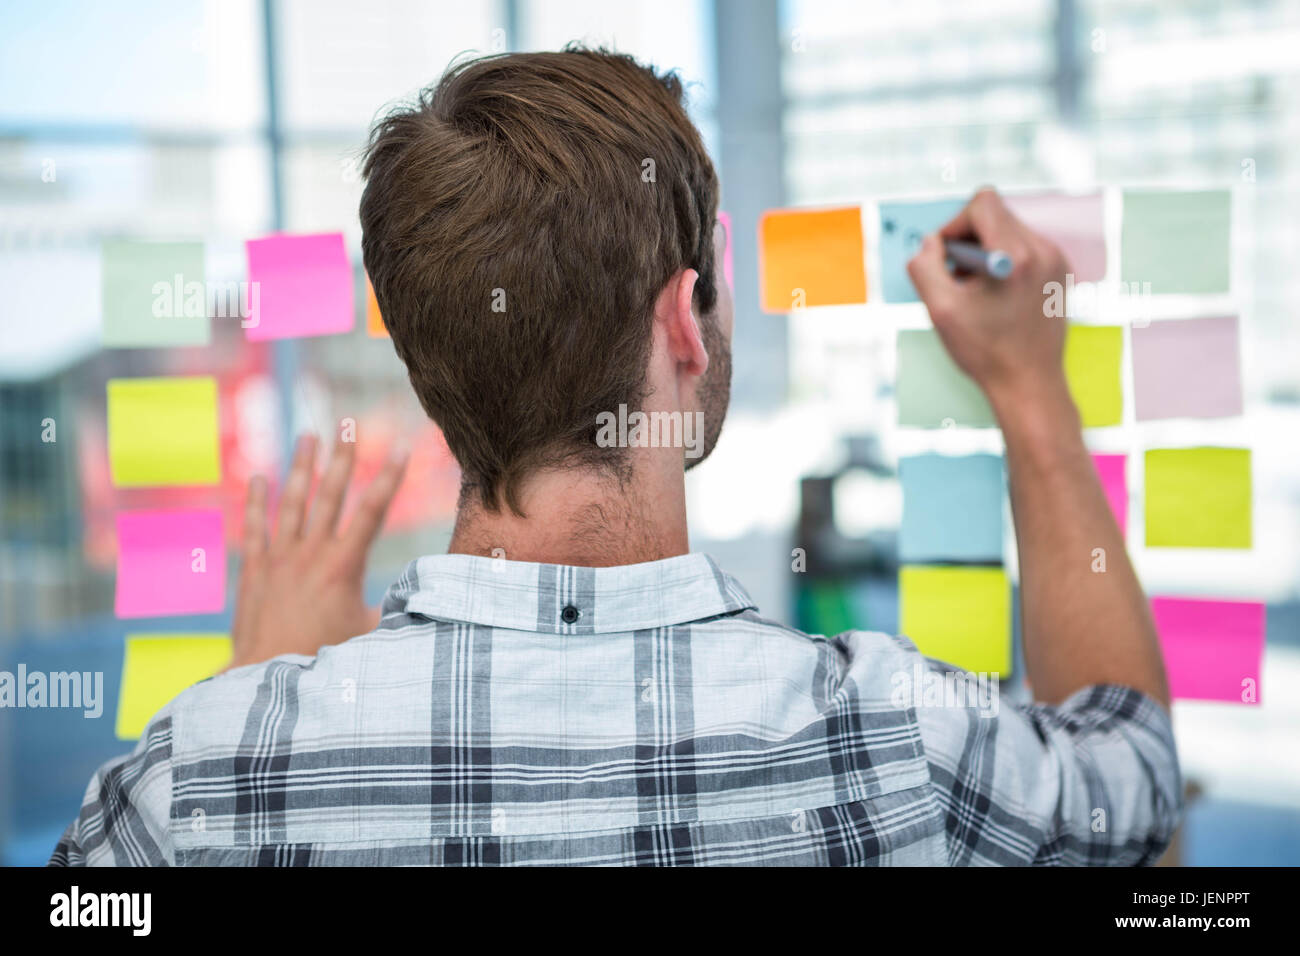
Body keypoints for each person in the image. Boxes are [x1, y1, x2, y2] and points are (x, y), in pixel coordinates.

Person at [52, 47, 1179, 867]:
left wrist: (252, 705)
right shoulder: (904, 741)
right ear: (684, 322)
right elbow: (1132, 779)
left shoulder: (187, 786)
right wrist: (1032, 392)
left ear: (430, 352)